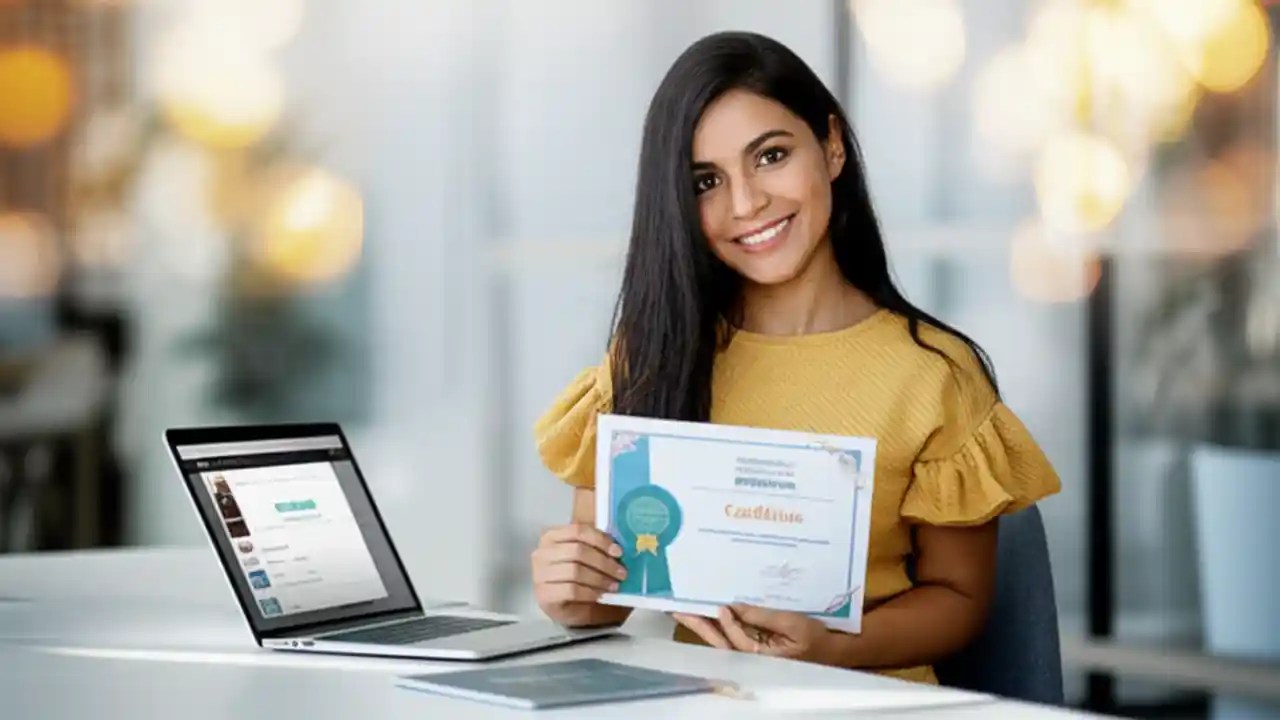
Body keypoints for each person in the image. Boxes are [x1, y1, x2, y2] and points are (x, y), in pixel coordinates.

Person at [529, 30, 1061, 684]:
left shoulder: (934, 374)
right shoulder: (655, 353)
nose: (746, 203)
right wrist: (572, 591)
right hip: (700, 702)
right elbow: (602, 601)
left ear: (832, 146)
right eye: (706, 181)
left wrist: (832, 649)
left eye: (771, 156)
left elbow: (961, 602)